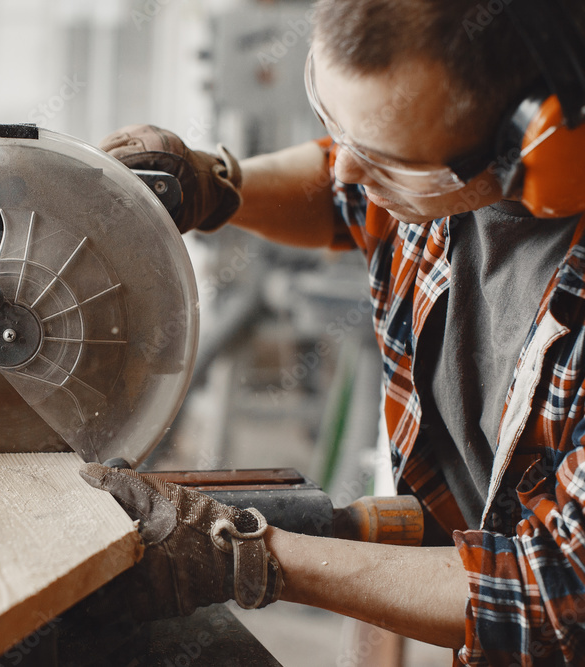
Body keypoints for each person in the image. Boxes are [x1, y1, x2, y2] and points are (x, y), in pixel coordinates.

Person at [82, 0, 585, 664]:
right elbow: (345, 190)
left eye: (385, 160)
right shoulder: (439, 165)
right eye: (331, 117)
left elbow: (549, 594)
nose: (347, 168)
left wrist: (248, 554)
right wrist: (218, 185)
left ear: (539, 142)